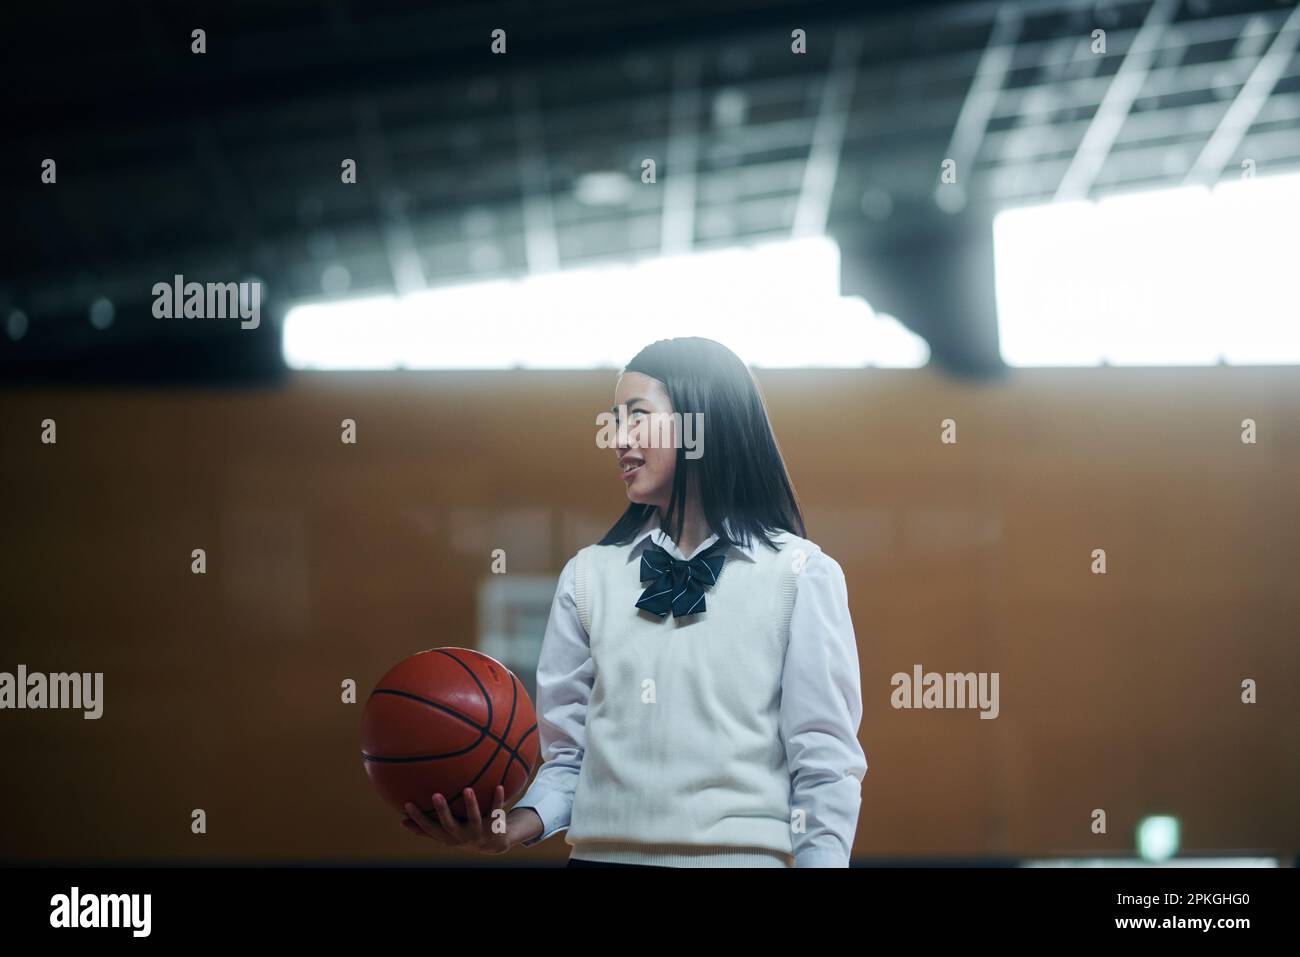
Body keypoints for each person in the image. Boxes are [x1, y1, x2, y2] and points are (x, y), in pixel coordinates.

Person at [400, 336, 867, 867]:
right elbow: (568, 762)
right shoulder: (587, 576)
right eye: (614, 421)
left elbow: (825, 766)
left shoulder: (802, 575)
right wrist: (510, 827)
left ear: (701, 422)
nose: (617, 438)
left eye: (636, 416)